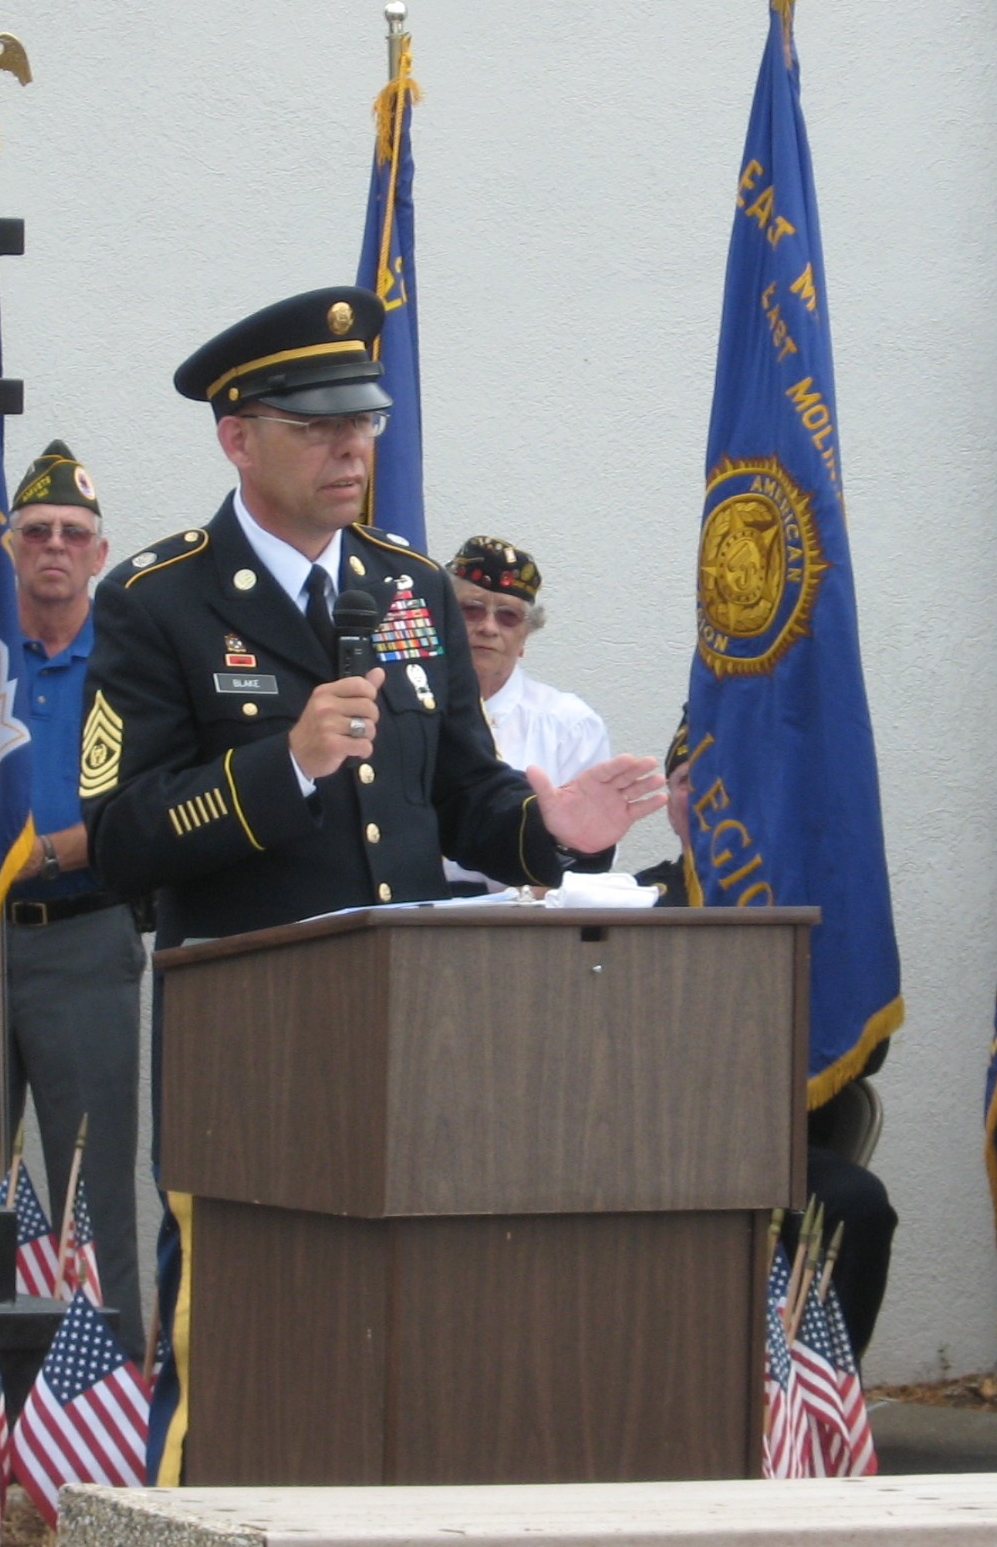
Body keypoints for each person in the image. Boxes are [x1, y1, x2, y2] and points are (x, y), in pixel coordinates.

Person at [81, 284, 665, 1478]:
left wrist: (549, 830)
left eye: (366, 424)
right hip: (246, 1033)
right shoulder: (159, 601)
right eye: (316, 426)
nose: (353, 450)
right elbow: (124, 834)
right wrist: (282, 767)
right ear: (236, 436)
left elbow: (459, 794)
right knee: (239, 1328)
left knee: (412, 1321)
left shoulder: (408, 588)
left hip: (415, 1032)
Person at [0, 440, 144, 1355]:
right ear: (9, 544)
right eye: (36, 532)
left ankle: (107, 1397)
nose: (55, 547)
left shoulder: (136, 663)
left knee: (91, 1182)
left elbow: (162, 803)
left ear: (100, 554)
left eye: (74, 533)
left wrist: (65, 849)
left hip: (84, 939)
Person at [635, 713, 897, 1358]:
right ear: (667, 801)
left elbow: (867, 1050)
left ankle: (815, 1403)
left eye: (728, 779)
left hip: (767, 1145)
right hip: (639, 1144)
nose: (706, 794)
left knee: (857, 1205)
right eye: (690, 779)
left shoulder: (801, 907)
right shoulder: (627, 902)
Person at [442, 534, 612, 893]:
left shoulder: (571, 725)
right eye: (471, 609)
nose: (488, 627)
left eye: (508, 617)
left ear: (524, 641)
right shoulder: (405, 707)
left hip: (522, 919)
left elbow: (582, 862)